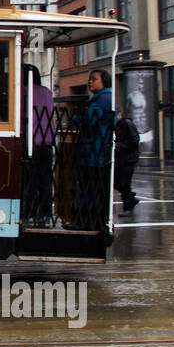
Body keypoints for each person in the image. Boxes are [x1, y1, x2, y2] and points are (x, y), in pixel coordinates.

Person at [75, 69, 114, 229]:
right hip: (97, 151)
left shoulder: (102, 99)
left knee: (89, 189)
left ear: (103, 81)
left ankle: (86, 222)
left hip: (93, 152)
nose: (89, 82)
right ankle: (92, 221)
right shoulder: (105, 98)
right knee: (94, 189)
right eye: (90, 79)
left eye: (94, 79)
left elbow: (89, 120)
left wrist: (77, 118)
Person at [21, 64, 54, 225]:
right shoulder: (46, 91)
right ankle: (46, 213)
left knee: (29, 180)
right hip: (47, 141)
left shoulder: (23, 91)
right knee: (45, 179)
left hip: (30, 141)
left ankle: (30, 212)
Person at [114, 110, 140, 216]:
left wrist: (117, 146)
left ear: (120, 114)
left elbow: (134, 140)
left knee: (125, 183)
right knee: (116, 182)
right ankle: (130, 198)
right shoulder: (117, 125)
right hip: (120, 159)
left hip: (128, 159)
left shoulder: (127, 124)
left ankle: (128, 207)